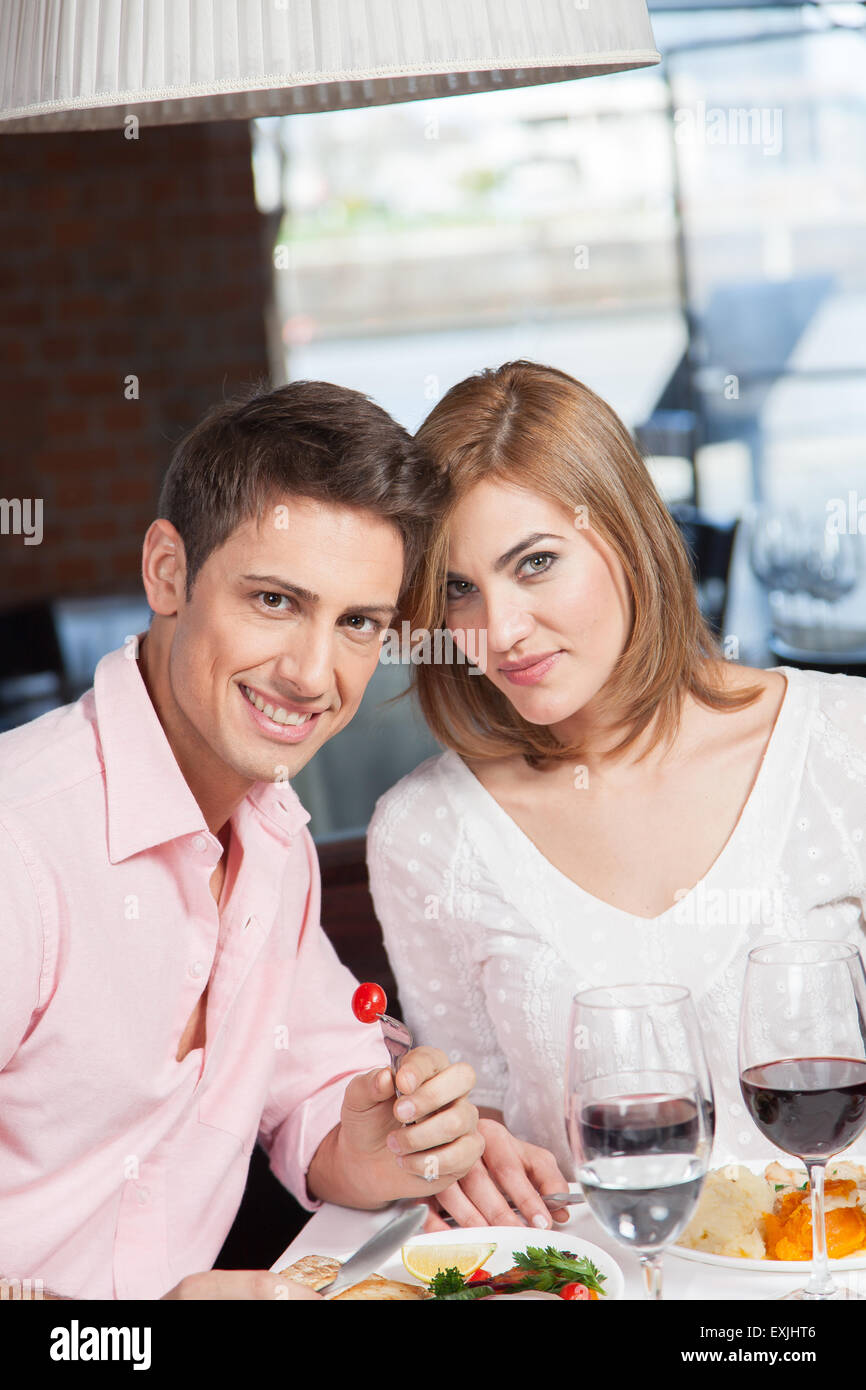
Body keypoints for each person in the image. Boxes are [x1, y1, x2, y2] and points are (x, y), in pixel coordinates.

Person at [0, 380, 483, 1301]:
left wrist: (378, 1144)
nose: (311, 673)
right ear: (168, 572)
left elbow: (316, 1100)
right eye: (274, 600)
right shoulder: (18, 851)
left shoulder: (272, 839)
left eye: (357, 624)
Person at [367, 359, 866, 1230]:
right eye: (459, 589)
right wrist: (460, 1146)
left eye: (537, 562)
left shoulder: (842, 743)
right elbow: (470, 1122)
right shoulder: (425, 833)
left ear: (630, 536)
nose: (502, 631)